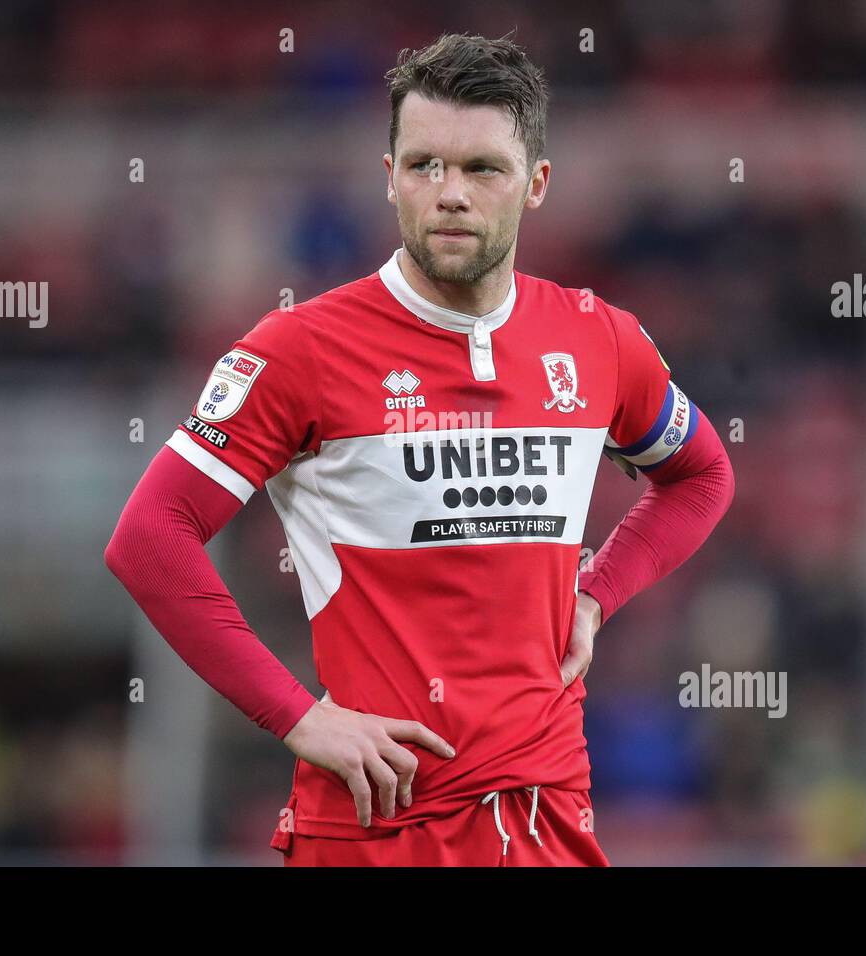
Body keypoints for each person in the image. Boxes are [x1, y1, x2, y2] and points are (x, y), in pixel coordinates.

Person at [105, 32, 734, 867]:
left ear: (536, 184)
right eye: (424, 165)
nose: (450, 194)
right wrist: (298, 716)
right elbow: (149, 539)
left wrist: (596, 594)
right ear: (390, 175)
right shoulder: (301, 349)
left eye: (482, 168)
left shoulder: (596, 339)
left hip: (548, 816)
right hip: (378, 828)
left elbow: (702, 476)